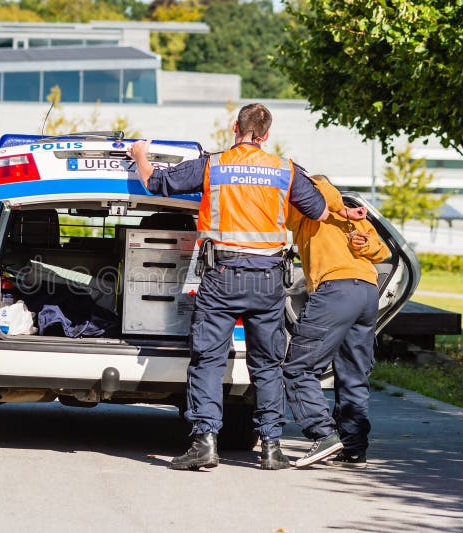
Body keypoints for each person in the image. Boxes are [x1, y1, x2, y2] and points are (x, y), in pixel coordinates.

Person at [128, 103, 332, 471]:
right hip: (268, 279)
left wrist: (140, 154)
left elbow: (157, 182)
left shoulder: (214, 165)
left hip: (222, 275)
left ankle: (205, 443)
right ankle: (271, 448)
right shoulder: (284, 169)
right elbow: (320, 211)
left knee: (208, 360)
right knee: (267, 364)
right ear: (266, 135)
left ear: (234, 127)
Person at [283, 175, 389, 469]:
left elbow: (379, 249)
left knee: (299, 367)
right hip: (367, 293)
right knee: (353, 374)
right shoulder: (346, 215)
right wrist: (361, 237)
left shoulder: (310, 211)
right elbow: (382, 251)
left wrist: (363, 240)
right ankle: (354, 450)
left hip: (336, 291)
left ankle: (323, 433)